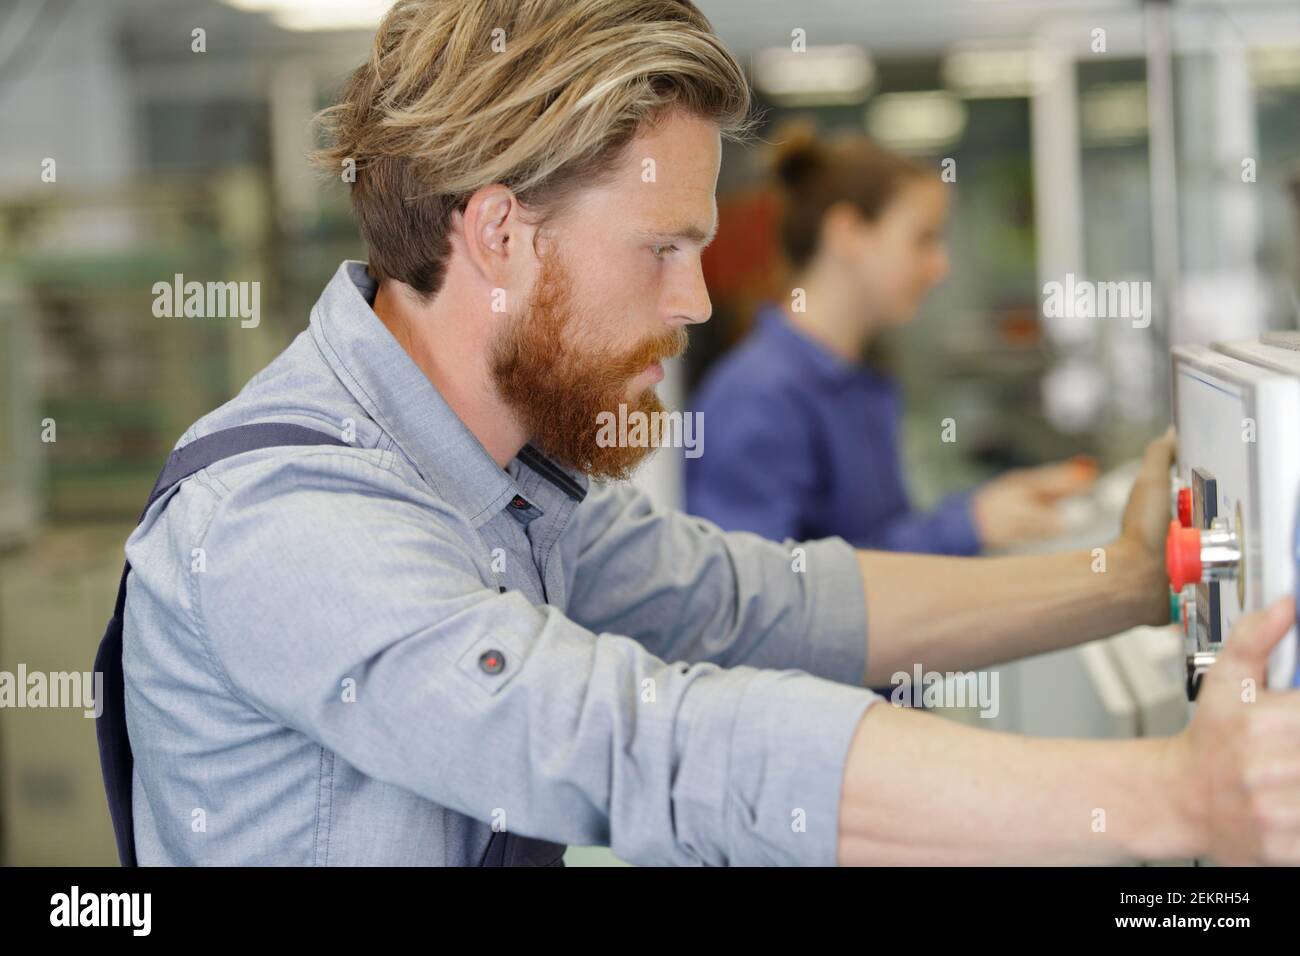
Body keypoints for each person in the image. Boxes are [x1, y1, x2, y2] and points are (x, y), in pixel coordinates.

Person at [120, 0, 1300, 866]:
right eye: (660, 249)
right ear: (498, 235)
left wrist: (1126, 578)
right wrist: (1169, 795)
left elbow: (760, 603)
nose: (694, 303)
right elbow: (645, 746)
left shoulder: (504, 481)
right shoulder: (292, 519)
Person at [687, 125, 1096, 554]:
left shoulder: (860, 379)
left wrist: (984, 510)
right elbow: (761, 586)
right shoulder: (758, 397)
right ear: (847, 233)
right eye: (923, 239)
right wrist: (965, 526)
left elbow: (878, 540)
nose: (940, 267)